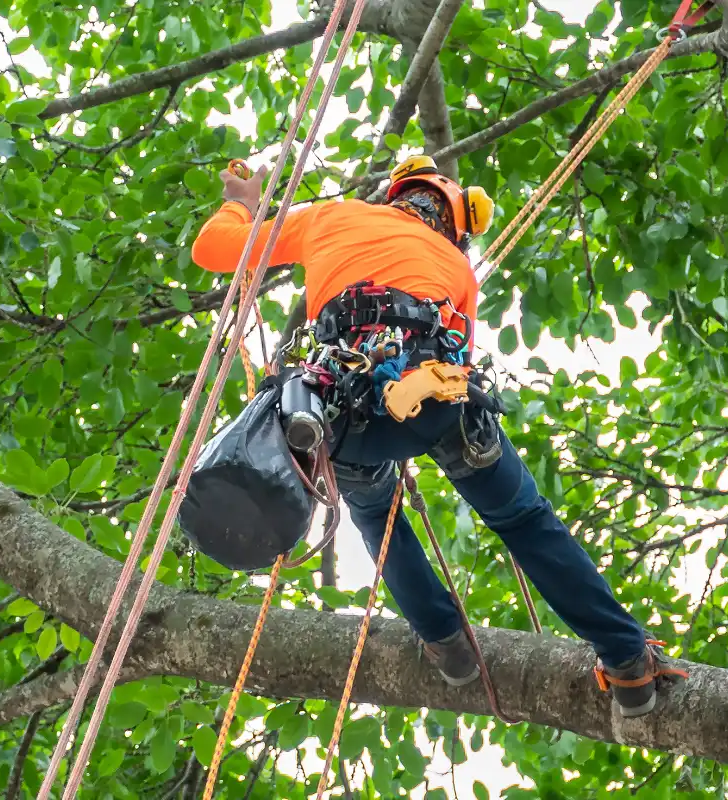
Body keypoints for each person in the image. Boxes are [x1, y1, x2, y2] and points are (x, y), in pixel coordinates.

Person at [190, 157, 684, 717]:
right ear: (454, 225)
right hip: (436, 399)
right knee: (523, 520)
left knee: (376, 516)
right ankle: (626, 662)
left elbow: (213, 250)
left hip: (341, 415)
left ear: (395, 194)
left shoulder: (333, 217)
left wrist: (241, 202)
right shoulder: (456, 266)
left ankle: (446, 643)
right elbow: (459, 353)